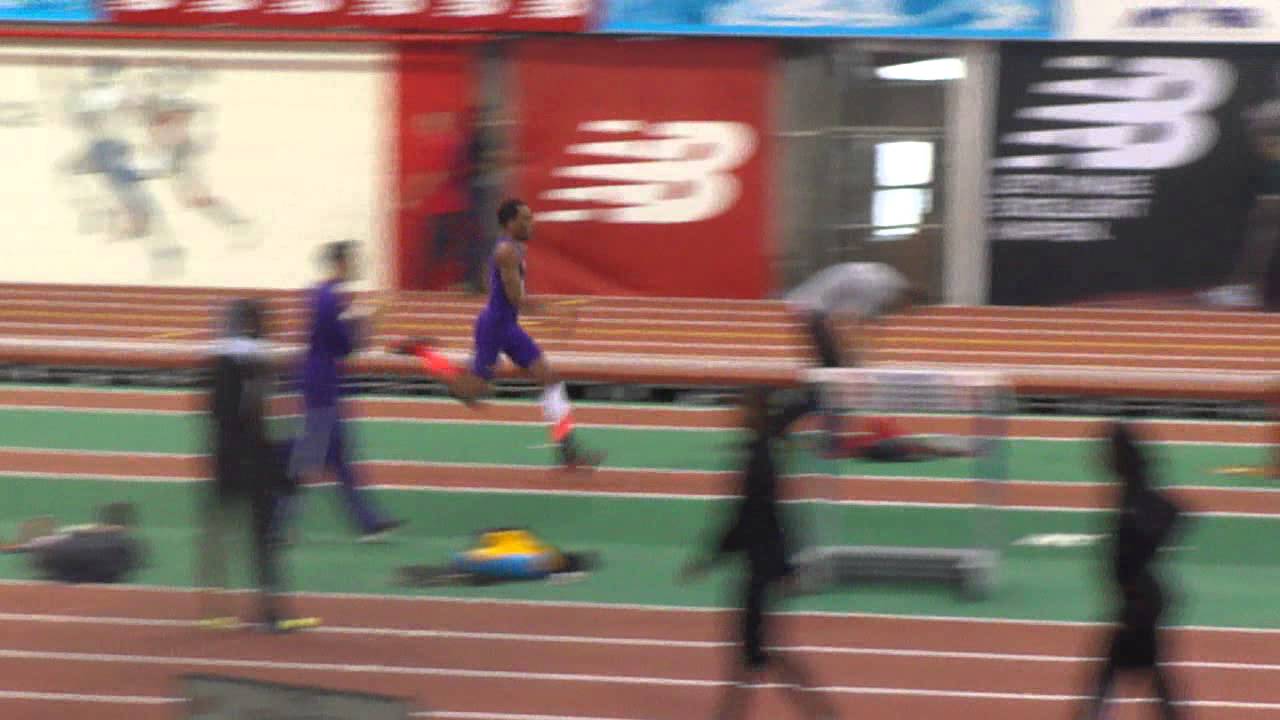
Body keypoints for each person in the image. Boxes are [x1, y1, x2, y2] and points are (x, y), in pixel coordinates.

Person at [393, 199, 605, 470]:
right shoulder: (507, 252)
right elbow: (516, 299)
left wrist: (544, 312)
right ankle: (422, 352)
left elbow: (494, 283)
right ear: (510, 223)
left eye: (530, 218)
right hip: (494, 328)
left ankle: (568, 451)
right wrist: (554, 313)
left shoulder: (512, 249)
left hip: (507, 327)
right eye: (525, 219)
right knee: (469, 393)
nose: (531, 224)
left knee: (550, 379)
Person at [678, 386, 836, 720]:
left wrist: (709, 558)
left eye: (740, 407)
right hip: (766, 562)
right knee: (756, 653)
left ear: (753, 413)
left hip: (763, 565)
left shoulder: (757, 458)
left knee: (756, 652)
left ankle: (821, 714)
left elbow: (748, 516)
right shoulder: (762, 450)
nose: (734, 413)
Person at [200, 298, 318, 634]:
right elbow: (234, 414)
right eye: (262, 323)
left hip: (241, 459)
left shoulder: (239, 363)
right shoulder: (239, 365)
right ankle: (237, 610)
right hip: (242, 459)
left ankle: (253, 610)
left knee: (243, 537)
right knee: (238, 537)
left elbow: (230, 414)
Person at [285, 241, 403, 542]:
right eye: (352, 260)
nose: (356, 265)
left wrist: (364, 318)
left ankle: (368, 523)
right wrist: (374, 318)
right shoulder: (329, 299)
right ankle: (277, 524)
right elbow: (347, 346)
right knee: (314, 458)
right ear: (340, 263)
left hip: (318, 381)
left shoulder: (322, 294)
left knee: (332, 458)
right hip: (321, 385)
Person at [1077, 422, 1185, 720]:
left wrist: (1146, 551)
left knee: (1112, 675)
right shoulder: (1131, 488)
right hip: (1138, 598)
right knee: (1148, 677)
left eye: (1109, 452)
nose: (1103, 458)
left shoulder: (1136, 493)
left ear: (1121, 455)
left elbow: (1176, 512)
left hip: (1139, 603)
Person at [783, 262, 920, 453]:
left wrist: (860, 361)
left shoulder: (889, 282)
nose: (898, 313)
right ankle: (825, 438)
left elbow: (865, 326)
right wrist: (852, 362)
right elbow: (841, 322)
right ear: (904, 298)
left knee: (828, 382)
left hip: (817, 307)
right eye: (903, 310)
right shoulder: (878, 289)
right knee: (831, 380)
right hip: (812, 308)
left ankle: (796, 424)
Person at [2, 503, 144, 584]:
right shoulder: (127, 545)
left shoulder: (86, 531)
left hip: (63, 559)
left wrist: (15, 547)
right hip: (87, 568)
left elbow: (54, 540)